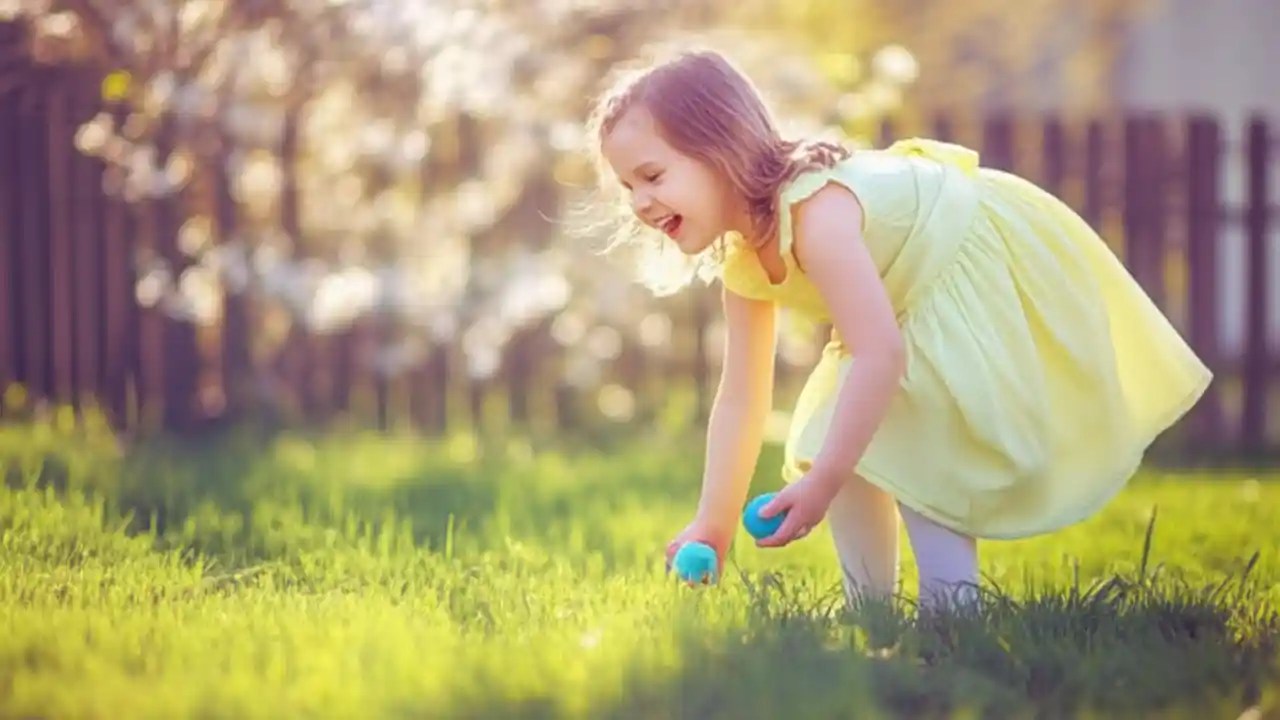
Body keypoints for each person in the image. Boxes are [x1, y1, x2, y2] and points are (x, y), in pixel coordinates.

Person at [582, 47, 1213, 611]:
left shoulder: (817, 216)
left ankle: (951, 608)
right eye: (628, 185)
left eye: (654, 175)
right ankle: (871, 608)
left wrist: (821, 484)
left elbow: (881, 354)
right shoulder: (744, 261)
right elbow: (742, 397)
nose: (639, 202)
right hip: (899, 308)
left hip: (964, 261)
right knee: (838, 428)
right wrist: (712, 526)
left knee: (911, 429)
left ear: (719, 149)